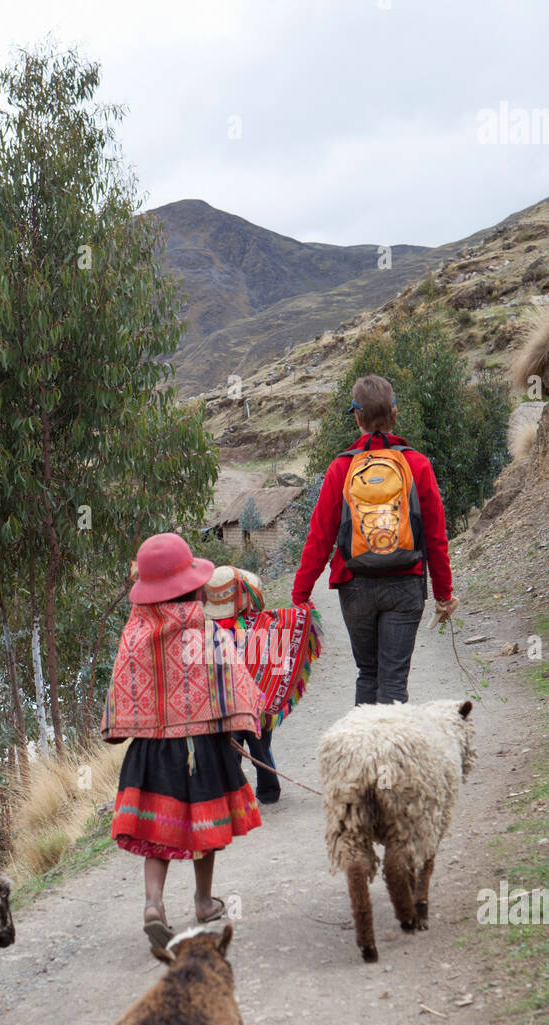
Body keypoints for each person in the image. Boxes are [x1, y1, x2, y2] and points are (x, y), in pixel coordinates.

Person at [101, 533, 262, 948]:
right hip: (202, 746)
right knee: (203, 825)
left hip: (152, 751)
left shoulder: (134, 633)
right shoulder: (203, 630)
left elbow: (123, 688)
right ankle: (204, 901)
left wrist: (122, 729)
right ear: (192, 586)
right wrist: (236, 727)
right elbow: (232, 684)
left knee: (158, 829)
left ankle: (153, 904)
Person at [292, 374, 457, 704]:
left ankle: (363, 753)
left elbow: (320, 536)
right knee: (394, 679)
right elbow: (436, 536)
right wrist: (443, 593)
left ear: (357, 417)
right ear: (394, 413)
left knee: (368, 674)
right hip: (405, 583)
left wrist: (301, 593)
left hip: (354, 585)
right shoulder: (417, 464)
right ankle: (391, 755)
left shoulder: (341, 468)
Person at [204, 566, 281, 805]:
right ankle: (254, 792)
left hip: (238, 702)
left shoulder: (210, 631)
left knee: (242, 746)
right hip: (243, 701)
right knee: (250, 746)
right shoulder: (261, 625)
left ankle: (246, 793)